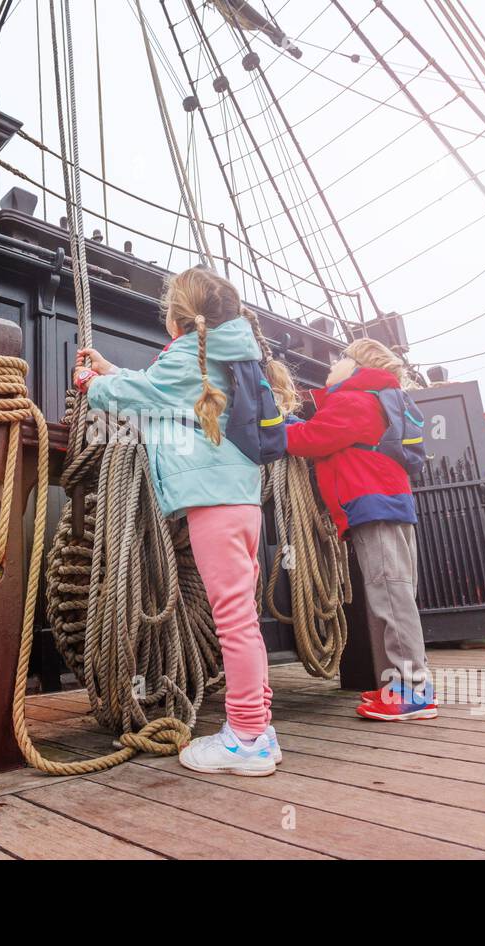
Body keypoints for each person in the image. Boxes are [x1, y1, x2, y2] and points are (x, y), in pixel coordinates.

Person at [73, 267, 297, 775]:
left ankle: (245, 738)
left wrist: (93, 383)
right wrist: (113, 370)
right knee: (244, 619)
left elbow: (142, 395)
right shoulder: (233, 354)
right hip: (241, 500)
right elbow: (160, 388)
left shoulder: (187, 357)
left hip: (213, 502)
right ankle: (259, 725)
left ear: (176, 321)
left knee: (233, 621)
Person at [285, 337, 436, 721]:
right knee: (390, 593)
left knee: (391, 595)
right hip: (385, 504)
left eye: (340, 358)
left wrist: (271, 426)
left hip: (374, 506)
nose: (332, 364)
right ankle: (396, 686)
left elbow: (312, 439)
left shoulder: (355, 400)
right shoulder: (374, 399)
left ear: (355, 366)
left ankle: (414, 691)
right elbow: (324, 434)